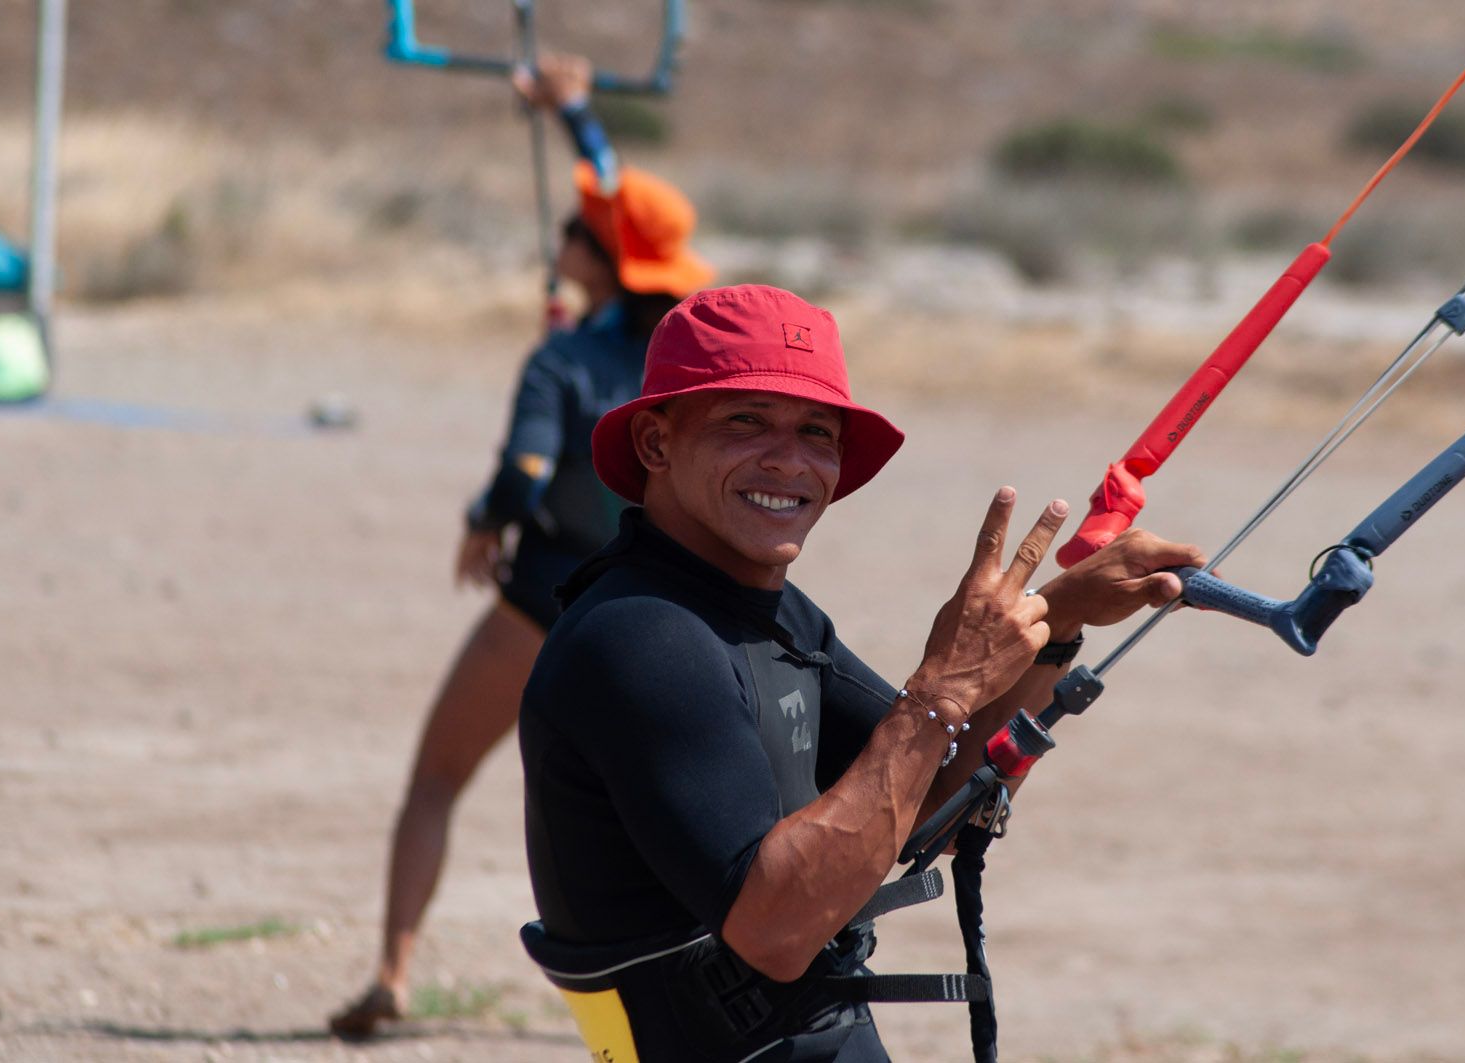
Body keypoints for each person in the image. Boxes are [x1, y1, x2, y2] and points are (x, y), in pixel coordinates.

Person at [516, 283, 1209, 1061]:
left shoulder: (770, 613)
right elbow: (774, 931)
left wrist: (1058, 618)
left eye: (818, 430)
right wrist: (942, 690)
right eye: (745, 420)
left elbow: (930, 796)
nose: (789, 459)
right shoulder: (641, 638)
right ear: (655, 443)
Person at [328, 54, 714, 1039]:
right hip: (659, 612)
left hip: (542, 604)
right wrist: (576, 112)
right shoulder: (687, 356)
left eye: (566, 234)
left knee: (434, 782)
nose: (554, 240)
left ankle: (395, 968)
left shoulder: (561, 356)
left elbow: (525, 476)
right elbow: (623, 203)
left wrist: (483, 517)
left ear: (595, 254)